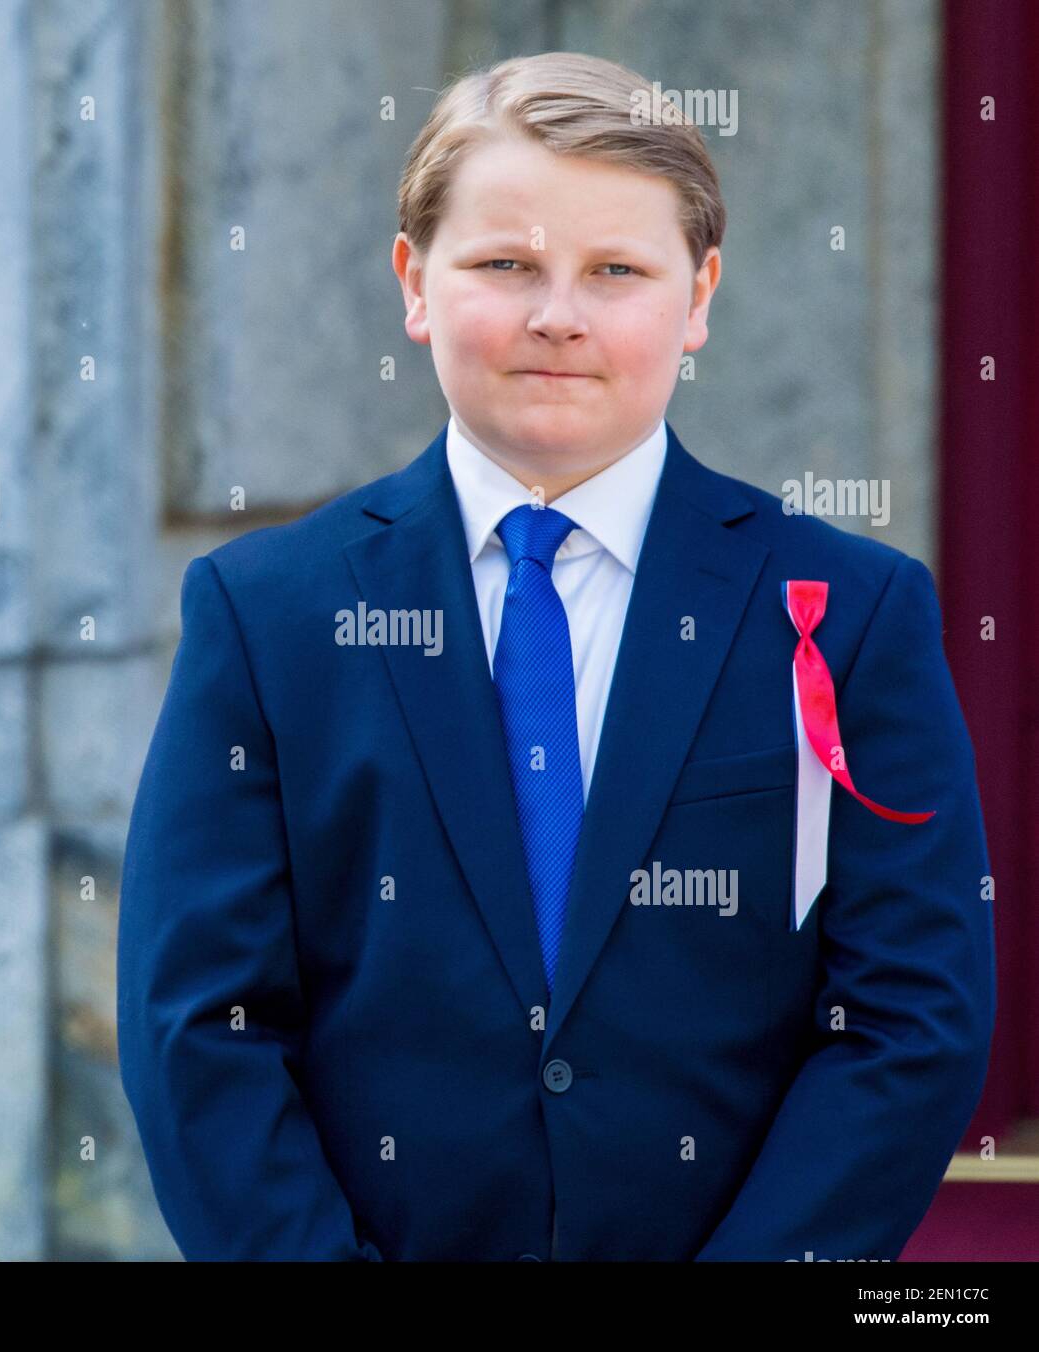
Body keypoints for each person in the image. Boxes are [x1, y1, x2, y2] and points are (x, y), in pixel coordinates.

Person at [116, 51, 995, 1262]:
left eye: (616, 271)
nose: (557, 315)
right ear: (414, 282)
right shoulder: (266, 612)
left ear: (698, 299)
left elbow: (909, 1017)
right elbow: (198, 1021)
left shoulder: (852, 610)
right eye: (506, 264)